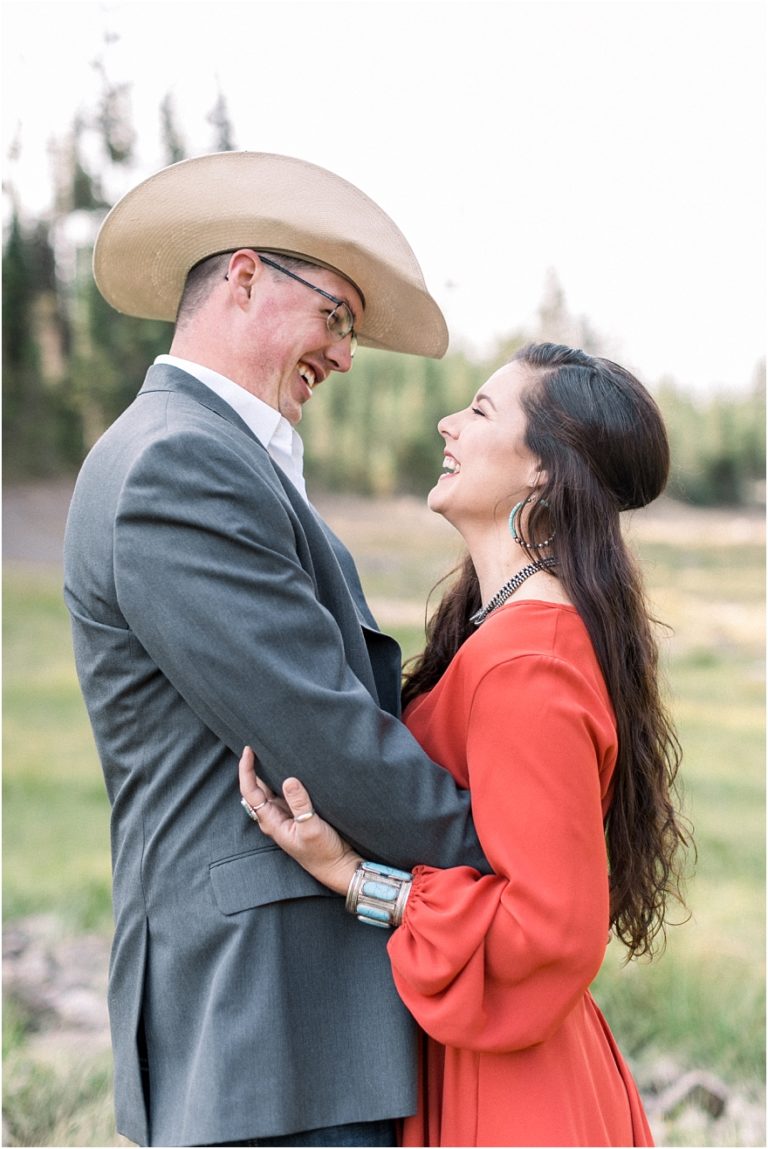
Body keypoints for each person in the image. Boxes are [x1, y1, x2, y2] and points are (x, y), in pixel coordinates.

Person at [63, 151, 490, 1149]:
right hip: (267, 1026)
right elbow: (321, 733)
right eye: (338, 316)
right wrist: (498, 852)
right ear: (245, 277)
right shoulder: (180, 463)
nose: (346, 355)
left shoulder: (201, 453)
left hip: (279, 1030)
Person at [239, 342, 692, 1148]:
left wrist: (354, 877)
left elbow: (551, 928)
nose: (449, 424)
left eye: (481, 410)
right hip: (488, 1056)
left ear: (544, 471)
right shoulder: (504, 630)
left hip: (516, 1091)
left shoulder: (529, 659)